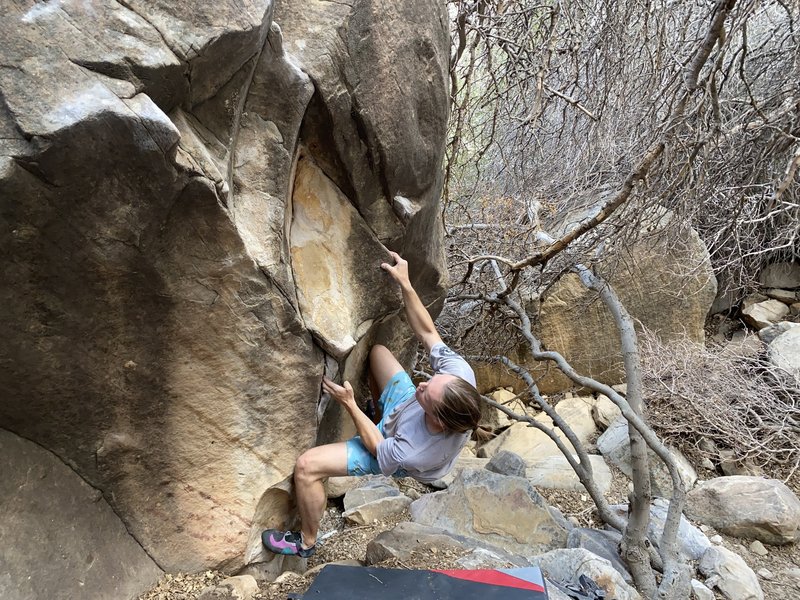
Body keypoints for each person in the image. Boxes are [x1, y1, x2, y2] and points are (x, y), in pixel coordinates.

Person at [261, 251, 482, 558]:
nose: (421, 383)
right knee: (378, 353)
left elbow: (379, 446)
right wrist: (405, 283)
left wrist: (350, 405)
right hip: (403, 414)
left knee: (307, 467)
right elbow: (428, 332)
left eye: (426, 393)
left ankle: (306, 542)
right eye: (431, 379)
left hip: (387, 446)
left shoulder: (415, 451)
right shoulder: (459, 377)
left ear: (438, 419)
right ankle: (379, 413)